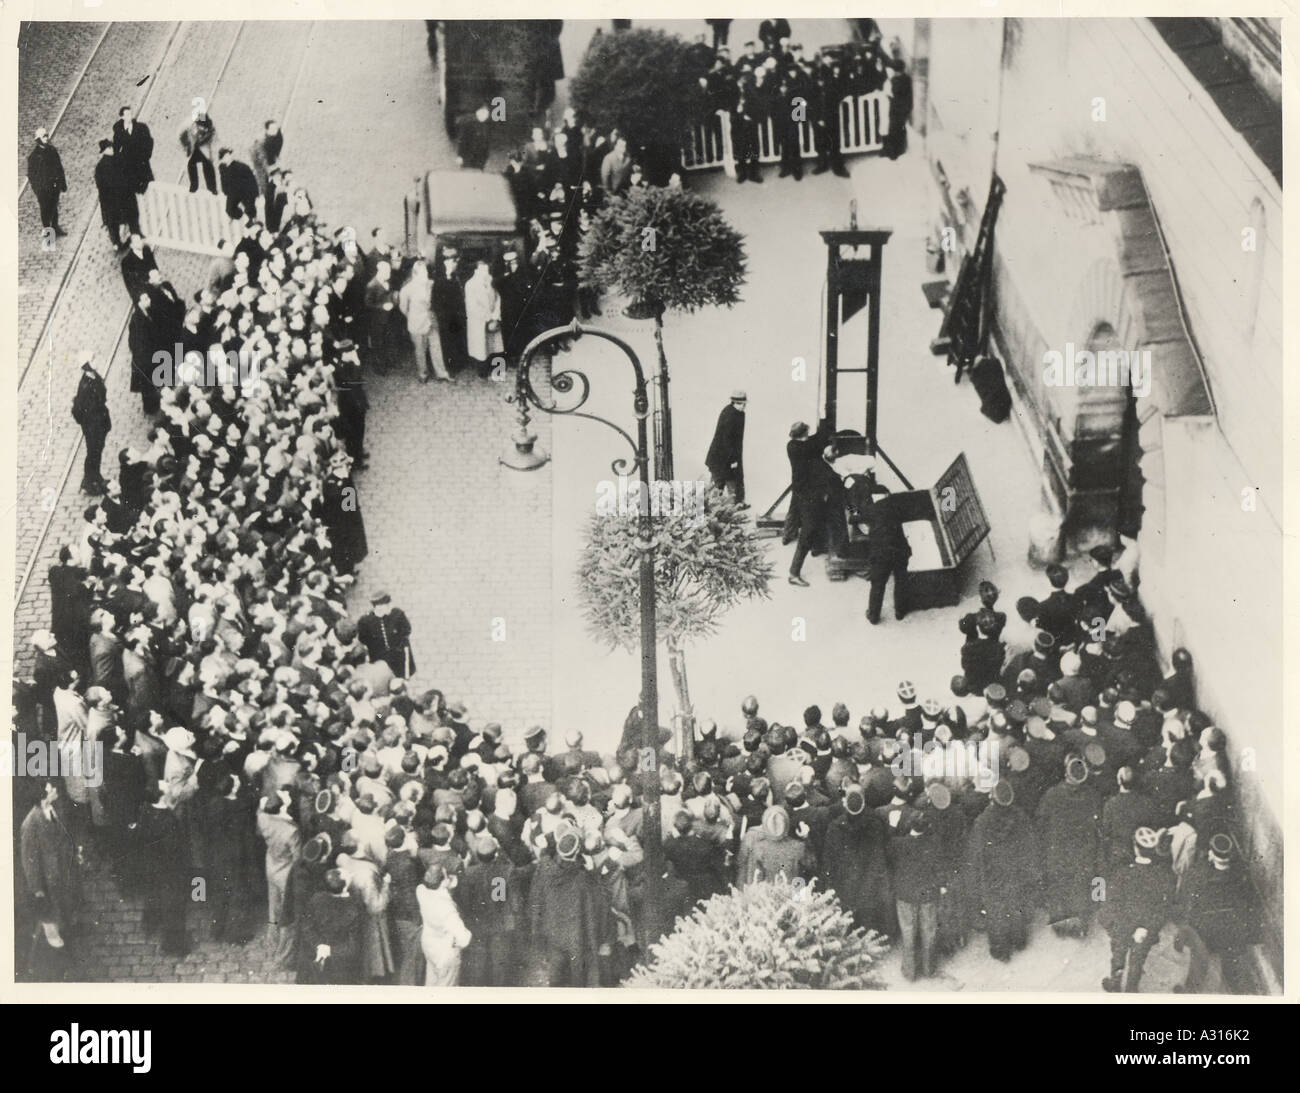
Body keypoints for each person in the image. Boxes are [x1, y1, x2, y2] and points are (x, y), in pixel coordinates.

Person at [965, 780, 1041, 961]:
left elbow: (975, 854)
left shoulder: (982, 822)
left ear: (992, 798)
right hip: (1016, 871)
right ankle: (1019, 940)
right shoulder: (1020, 817)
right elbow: (1029, 845)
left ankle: (1001, 950)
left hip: (993, 874)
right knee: (1016, 905)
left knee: (996, 912)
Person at [1100, 826, 1172, 992]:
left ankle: (1115, 982)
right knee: (1138, 960)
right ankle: (1132, 988)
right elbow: (1162, 909)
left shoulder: (1121, 873)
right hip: (1146, 931)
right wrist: (1146, 928)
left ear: (1135, 848)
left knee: (1118, 955)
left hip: (1122, 927)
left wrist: (1119, 926)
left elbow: (1112, 904)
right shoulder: (1162, 875)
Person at [21, 780, 81, 975]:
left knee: (58, 916)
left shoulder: (52, 810)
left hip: (60, 876)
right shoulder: (31, 823)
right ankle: (48, 964)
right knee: (49, 924)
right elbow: (30, 862)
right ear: (42, 797)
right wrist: (38, 892)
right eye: (50, 789)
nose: (54, 790)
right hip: (47, 885)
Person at [783, 419, 834, 586]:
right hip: (808, 495)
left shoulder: (792, 445)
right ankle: (794, 573)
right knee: (808, 530)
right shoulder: (804, 449)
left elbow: (813, 441)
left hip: (800, 491)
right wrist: (826, 425)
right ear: (804, 434)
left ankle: (816, 546)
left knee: (807, 519)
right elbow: (816, 443)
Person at [860, 489, 912, 625]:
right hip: (900, 550)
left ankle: (873, 616)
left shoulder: (871, 509)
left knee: (878, 584)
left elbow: (853, 517)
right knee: (901, 580)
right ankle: (900, 611)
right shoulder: (896, 507)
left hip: (881, 554)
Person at [398, 260, 449, 383]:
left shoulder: (431, 284)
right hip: (416, 323)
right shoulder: (407, 289)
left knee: (436, 346)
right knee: (420, 349)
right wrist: (412, 317)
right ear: (415, 274)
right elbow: (403, 308)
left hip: (431, 321)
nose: (426, 274)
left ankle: (441, 373)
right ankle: (423, 374)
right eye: (423, 272)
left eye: (426, 271)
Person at [71, 352, 111, 495]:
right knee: (93, 452)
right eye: (93, 359)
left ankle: (95, 476)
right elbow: (83, 410)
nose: (97, 360)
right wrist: (93, 425)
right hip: (93, 427)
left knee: (97, 451)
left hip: (100, 423)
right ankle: (89, 480)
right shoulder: (86, 386)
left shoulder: (94, 376)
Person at [357, 591, 415, 678]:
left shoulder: (398, 614)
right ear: (378, 607)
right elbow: (363, 639)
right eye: (387, 605)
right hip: (379, 659)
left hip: (398, 656)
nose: (391, 607)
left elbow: (407, 630)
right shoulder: (365, 622)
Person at [93, 139, 137, 247]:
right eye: (108, 148)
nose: (111, 149)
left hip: (119, 196)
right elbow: (101, 186)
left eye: (111, 147)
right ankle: (116, 242)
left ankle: (122, 239)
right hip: (111, 198)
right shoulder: (101, 167)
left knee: (120, 218)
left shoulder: (117, 159)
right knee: (114, 221)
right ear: (103, 151)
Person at [464, 259, 503, 378]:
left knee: (494, 346)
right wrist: (488, 317)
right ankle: (482, 371)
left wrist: (495, 315)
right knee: (481, 348)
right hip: (479, 321)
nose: (485, 272)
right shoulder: (470, 284)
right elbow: (472, 305)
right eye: (482, 270)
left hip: (493, 319)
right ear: (476, 271)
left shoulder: (491, 282)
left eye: (487, 269)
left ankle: (497, 369)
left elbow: (497, 298)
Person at [705, 390, 747, 501]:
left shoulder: (738, 414)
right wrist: (732, 460)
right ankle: (734, 505)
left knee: (730, 484)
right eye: (743, 404)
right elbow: (727, 439)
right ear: (736, 403)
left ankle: (737, 504)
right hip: (721, 459)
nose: (744, 407)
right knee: (718, 486)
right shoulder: (730, 415)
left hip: (727, 459)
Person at [28, 127, 68, 237]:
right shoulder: (34, 156)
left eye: (46, 136)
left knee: (54, 207)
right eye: (43, 136)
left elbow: (59, 167)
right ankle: (48, 231)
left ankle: (56, 227)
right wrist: (38, 190)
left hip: (54, 186)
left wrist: (63, 183)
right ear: (38, 139)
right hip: (43, 190)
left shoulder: (52, 150)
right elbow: (32, 176)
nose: (46, 138)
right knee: (45, 210)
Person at [112, 106, 154, 195]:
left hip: (142, 163)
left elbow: (149, 141)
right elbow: (116, 148)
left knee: (148, 187)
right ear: (122, 117)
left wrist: (146, 156)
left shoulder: (141, 127)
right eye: (127, 115)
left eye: (130, 114)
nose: (129, 116)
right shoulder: (119, 131)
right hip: (129, 167)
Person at [180, 103, 217, 194]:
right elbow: (183, 141)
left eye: (205, 129)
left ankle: (212, 188)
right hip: (190, 142)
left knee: (208, 163)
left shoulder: (210, 128)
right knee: (191, 162)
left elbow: (211, 142)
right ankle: (194, 186)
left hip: (202, 143)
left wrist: (210, 156)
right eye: (201, 129)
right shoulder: (188, 127)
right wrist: (187, 149)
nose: (203, 130)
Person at [217, 147, 259, 223]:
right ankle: (240, 216)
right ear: (222, 159)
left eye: (229, 155)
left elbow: (251, 179)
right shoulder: (222, 168)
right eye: (225, 156)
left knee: (250, 208)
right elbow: (223, 180)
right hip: (233, 192)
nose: (228, 157)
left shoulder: (241, 167)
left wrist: (254, 192)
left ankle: (252, 219)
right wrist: (225, 191)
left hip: (245, 191)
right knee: (229, 209)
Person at [249, 120, 283, 203]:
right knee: (263, 183)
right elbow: (262, 159)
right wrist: (271, 168)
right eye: (272, 129)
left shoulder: (278, 136)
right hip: (261, 165)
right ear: (267, 130)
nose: (275, 130)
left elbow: (277, 149)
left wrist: (277, 159)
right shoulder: (261, 143)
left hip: (270, 161)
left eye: (276, 128)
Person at [456, 103, 492, 170]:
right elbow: (462, 141)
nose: (484, 116)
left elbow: (486, 144)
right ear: (477, 113)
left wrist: (485, 158)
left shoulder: (485, 127)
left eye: (486, 114)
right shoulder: (468, 124)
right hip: (468, 158)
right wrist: (460, 156)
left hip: (480, 160)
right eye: (482, 113)